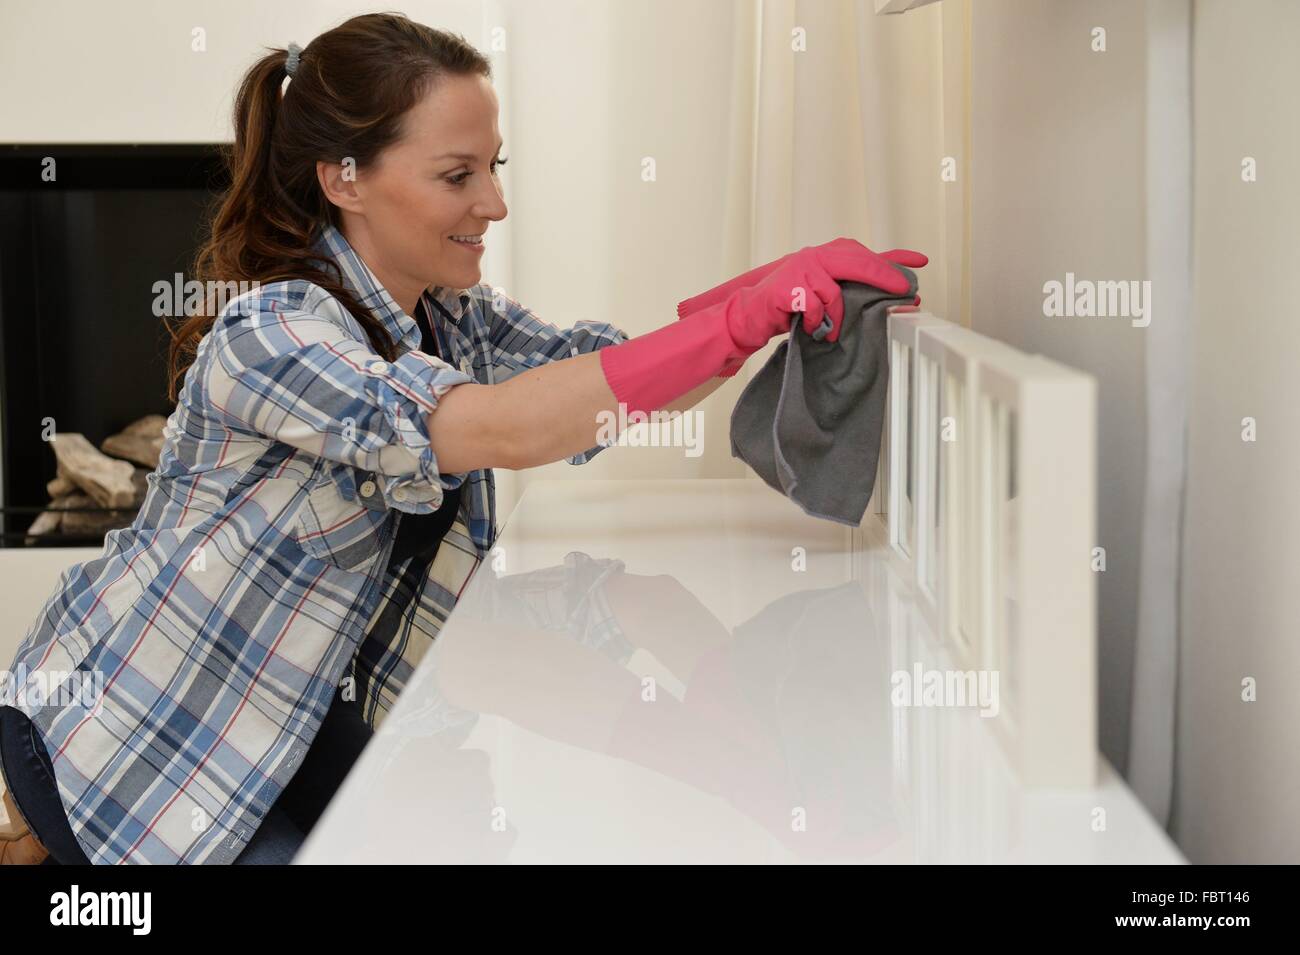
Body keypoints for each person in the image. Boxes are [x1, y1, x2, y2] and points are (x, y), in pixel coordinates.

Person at [0, 11, 925, 865]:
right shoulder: (271, 335)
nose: (494, 204)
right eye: (458, 175)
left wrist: (760, 305)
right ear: (343, 179)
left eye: (496, 168)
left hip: (296, 729)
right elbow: (495, 427)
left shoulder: (454, 318)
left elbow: (602, 381)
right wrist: (736, 322)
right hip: (130, 760)